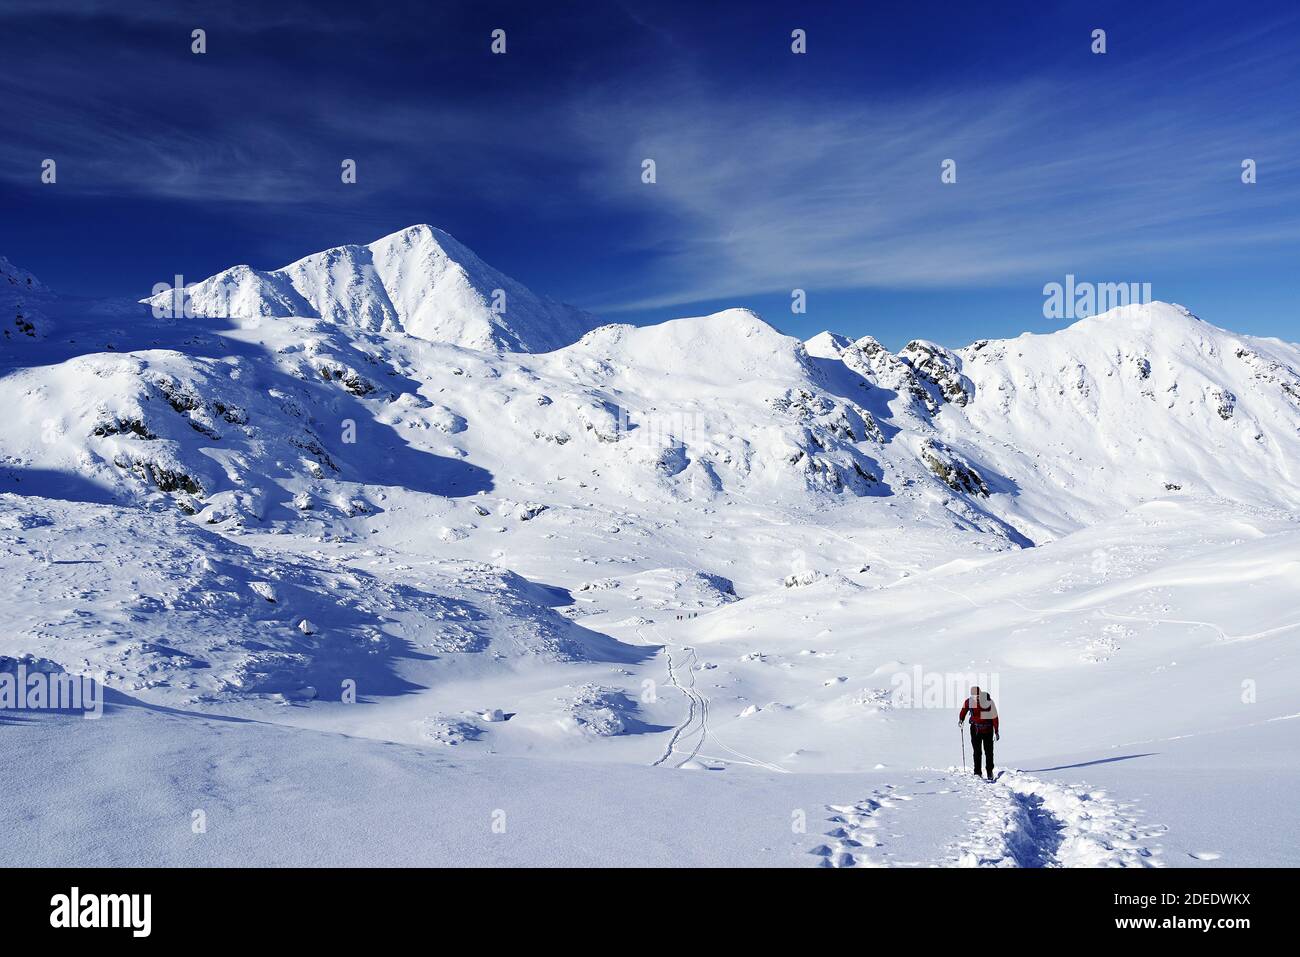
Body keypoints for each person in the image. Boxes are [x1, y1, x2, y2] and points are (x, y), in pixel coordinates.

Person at [958, 685, 1000, 780]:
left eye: (977, 695)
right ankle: (977, 772)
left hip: (988, 730)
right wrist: (961, 719)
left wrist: (996, 731)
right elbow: (963, 711)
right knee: (977, 752)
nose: (976, 697)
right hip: (975, 730)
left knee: (989, 752)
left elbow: (994, 717)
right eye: (974, 696)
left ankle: (989, 771)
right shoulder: (969, 702)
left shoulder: (988, 701)